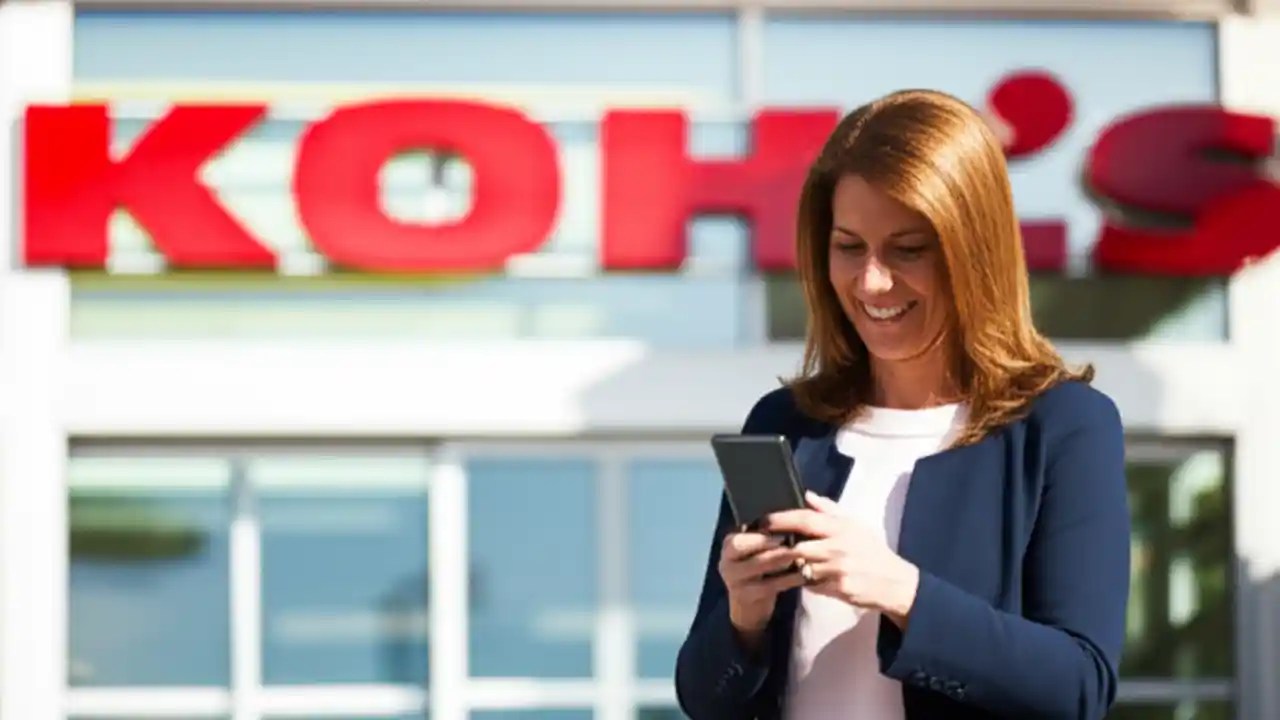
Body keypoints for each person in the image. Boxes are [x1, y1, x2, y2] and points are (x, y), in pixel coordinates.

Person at [674, 89, 1130, 720]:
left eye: (908, 249)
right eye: (849, 246)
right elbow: (705, 700)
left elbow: (1080, 686)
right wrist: (743, 619)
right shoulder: (786, 424)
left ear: (974, 250)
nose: (872, 282)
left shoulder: (1064, 427)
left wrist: (901, 590)